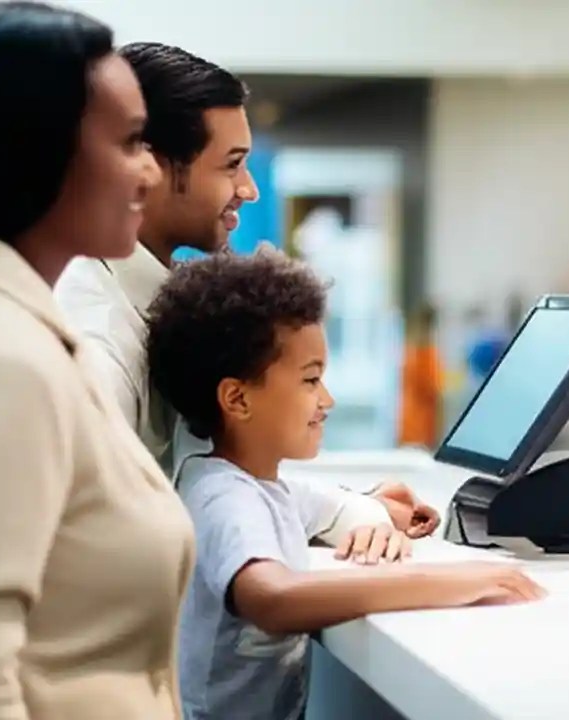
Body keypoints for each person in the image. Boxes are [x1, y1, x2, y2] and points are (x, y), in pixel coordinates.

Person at [53, 41, 440, 549]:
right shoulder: (93, 339)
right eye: (231, 165)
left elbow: (200, 486)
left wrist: (346, 507)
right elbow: (109, 536)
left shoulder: (149, 300)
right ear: (146, 169)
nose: (249, 188)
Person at [147, 251, 546, 720]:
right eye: (311, 380)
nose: (327, 399)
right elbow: (272, 599)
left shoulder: (251, 481)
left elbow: (320, 505)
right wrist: (455, 583)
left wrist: (379, 508)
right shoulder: (224, 497)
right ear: (237, 398)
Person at [0, 2, 189, 717]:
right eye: (128, 143)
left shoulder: (32, 330)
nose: (150, 173)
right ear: (34, 148)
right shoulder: (1, 358)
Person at [398, 301, 444, 448]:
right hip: (414, 429)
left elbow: (435, 395)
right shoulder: (418, 353)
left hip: (417, 430)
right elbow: (435, 394)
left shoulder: (421, 354)